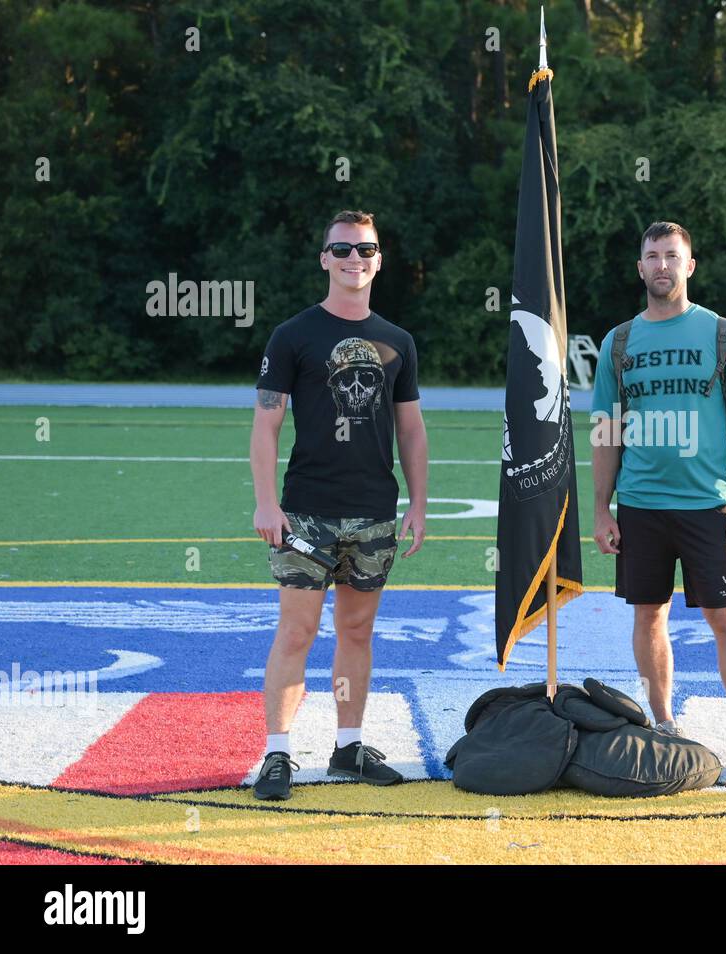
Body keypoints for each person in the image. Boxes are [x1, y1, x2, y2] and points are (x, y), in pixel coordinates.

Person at [249, 209, 428, 800]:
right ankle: (277, 752)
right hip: (305, 512)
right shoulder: (293, 335)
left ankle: (348, 746)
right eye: (343, 249)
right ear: (325, 258)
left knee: (357, 630)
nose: (355, 259)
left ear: (380, 260)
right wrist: (266, 504)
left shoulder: (398, 341)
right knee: (296, 631)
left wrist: (419, 504)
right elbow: (267, 424)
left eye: (366, 250)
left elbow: (412, 431)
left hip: (374, 510)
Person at [589, 221, 726, 781]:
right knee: (649, 613)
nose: (662, 265)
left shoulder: (721, 333)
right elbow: (605, 429)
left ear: (689, 266)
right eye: (652, 256)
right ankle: (663, 724)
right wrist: (601, 508)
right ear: (640, 267)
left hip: (709, 505)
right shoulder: (619, 342)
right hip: (642, 506)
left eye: (672, 255)